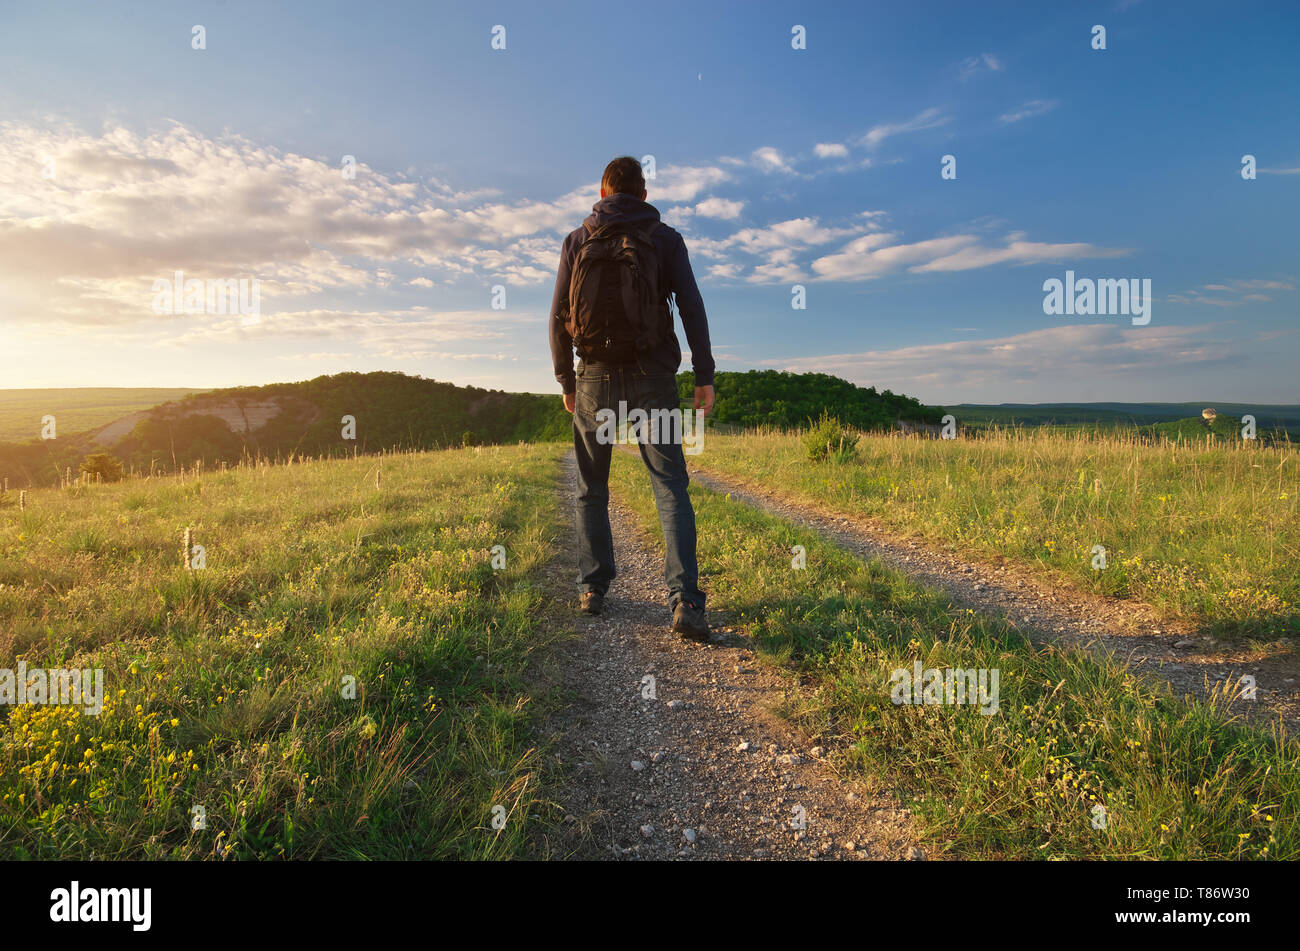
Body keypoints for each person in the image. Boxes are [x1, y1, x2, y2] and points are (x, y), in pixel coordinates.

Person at [549, 156, 716, 639]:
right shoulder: (664, 238)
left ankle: (593, 589)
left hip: (594, 379)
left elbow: (558, 315)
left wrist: (567, 381)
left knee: (590, 488)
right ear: (643, 195)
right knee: (669, 486)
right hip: (652, 377)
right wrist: (703, 373)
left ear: (602, 194)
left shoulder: (578, 240)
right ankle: (684, 600)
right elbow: (690, 304)